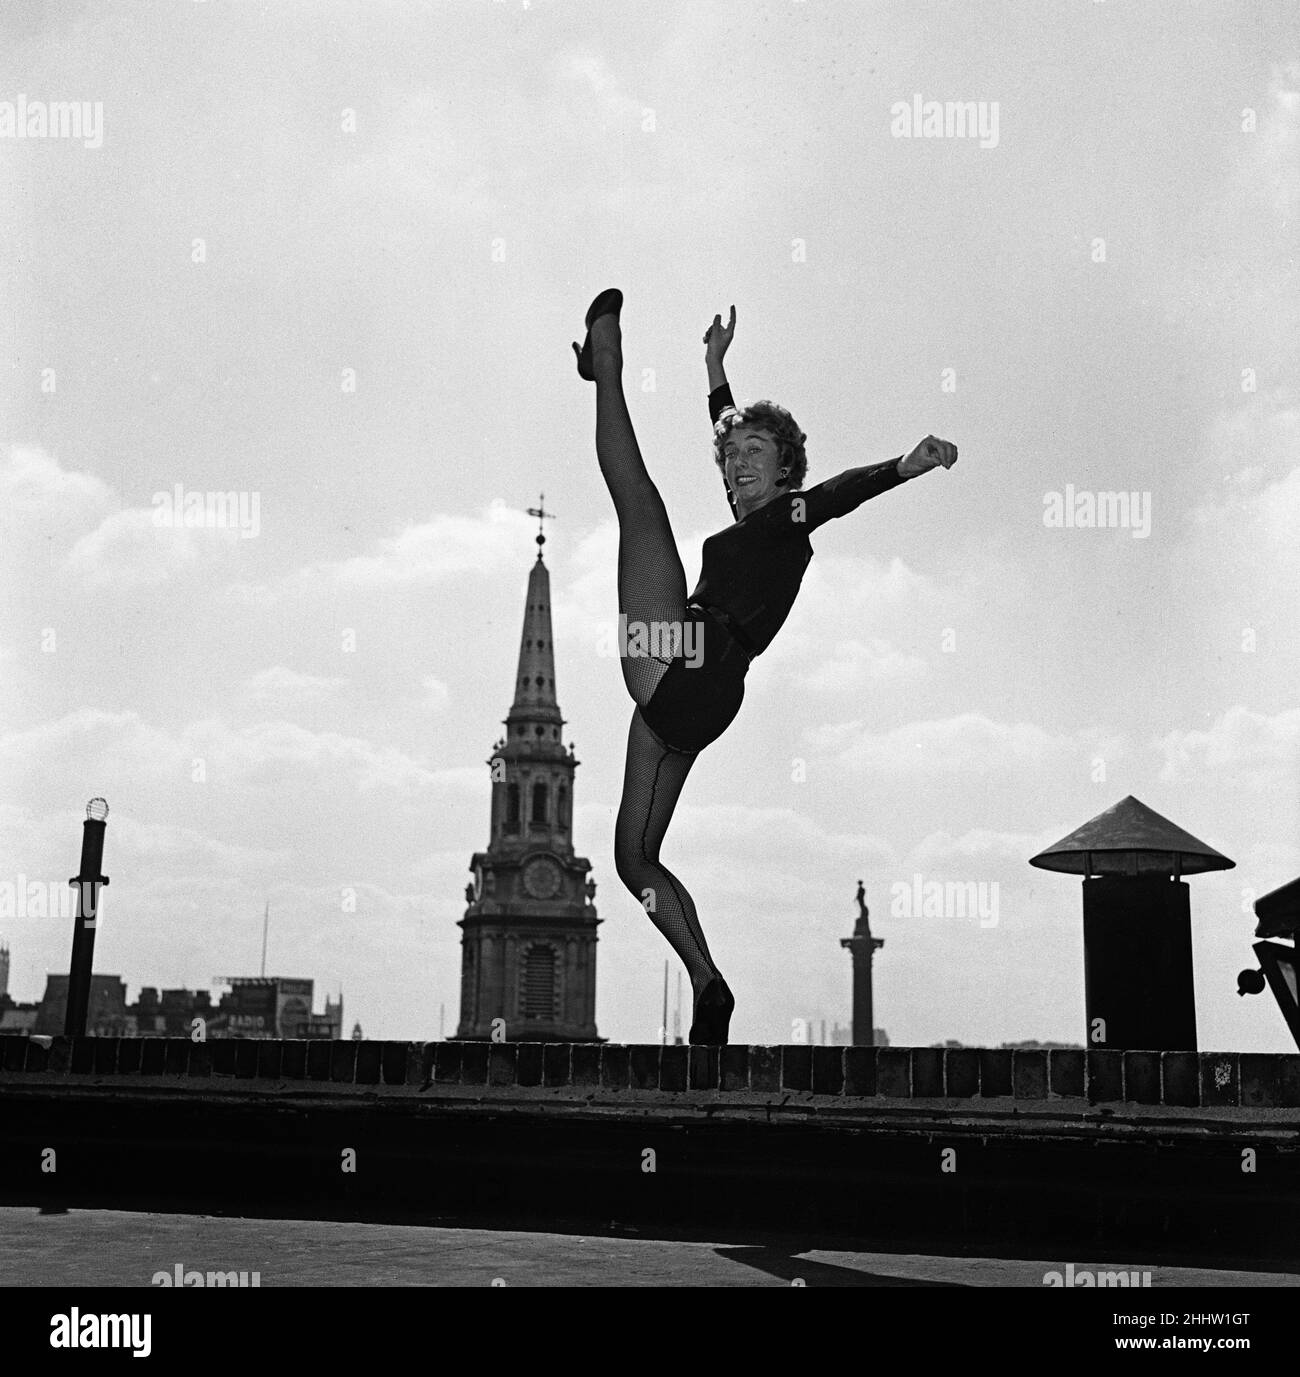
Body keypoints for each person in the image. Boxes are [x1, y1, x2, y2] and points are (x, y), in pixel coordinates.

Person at [573, 290, 957, 1044]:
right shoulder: (761, 520)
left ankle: (606, 362)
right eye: (732, 455)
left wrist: (903, 467)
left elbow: (835, 496)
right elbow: (732, 430)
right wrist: (716, 367)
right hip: (704, 700)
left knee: (639, 505)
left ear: (787, 474)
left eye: (757, 455)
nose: (738, 463)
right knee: (633, 857)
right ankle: (709, 984)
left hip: (693, 654)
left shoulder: (789, 519)